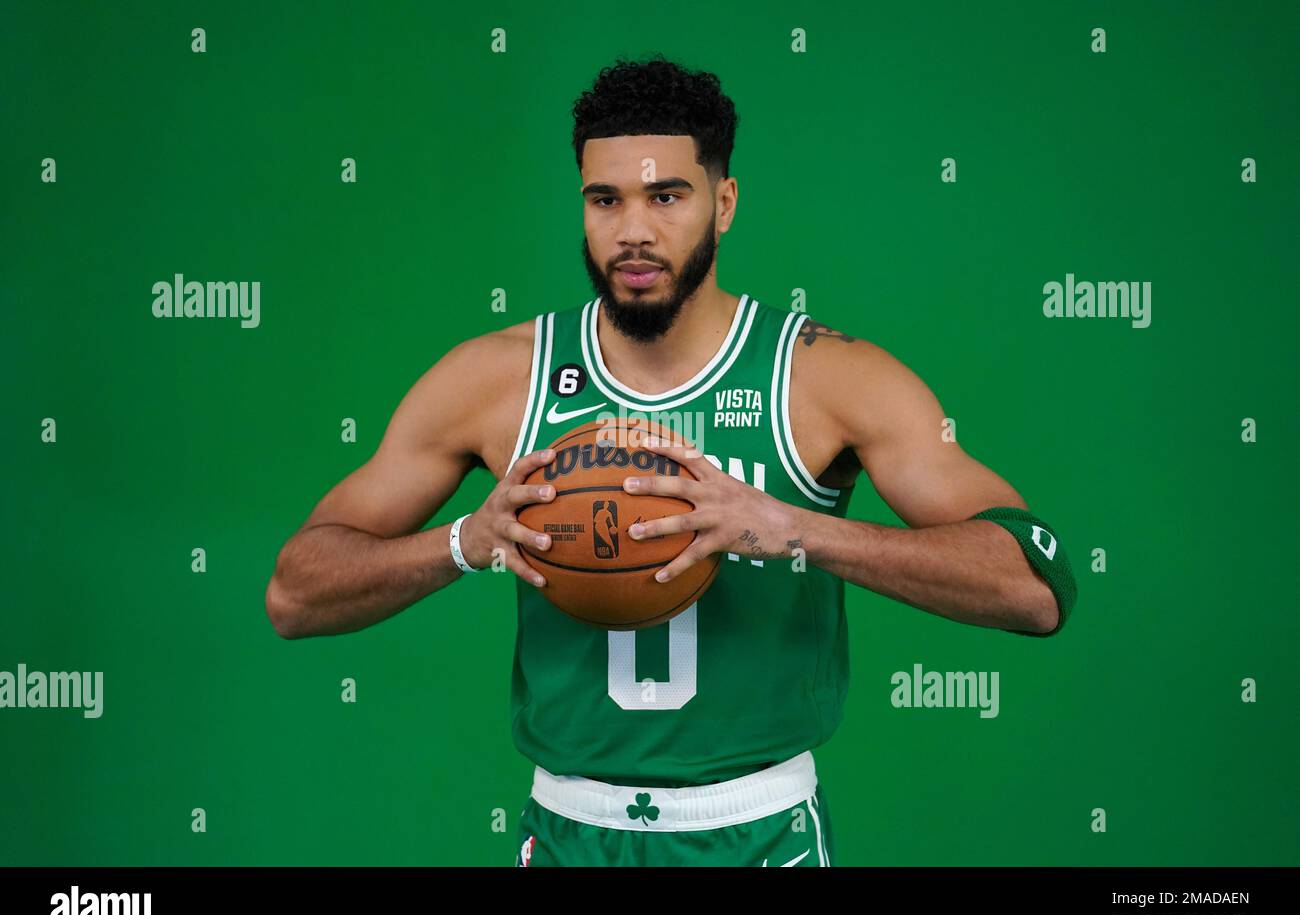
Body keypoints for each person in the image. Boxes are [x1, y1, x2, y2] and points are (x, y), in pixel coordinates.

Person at [264, 55, 1077, 867]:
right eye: (605, 199)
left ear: (724, 204)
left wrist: (791, 528)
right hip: (566, 831)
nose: (634, 231)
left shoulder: (828, 378)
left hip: (760, 832)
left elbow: (1031, 587)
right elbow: (295, 593)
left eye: (667, 196)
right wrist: (462, 543)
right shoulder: (495, 381)